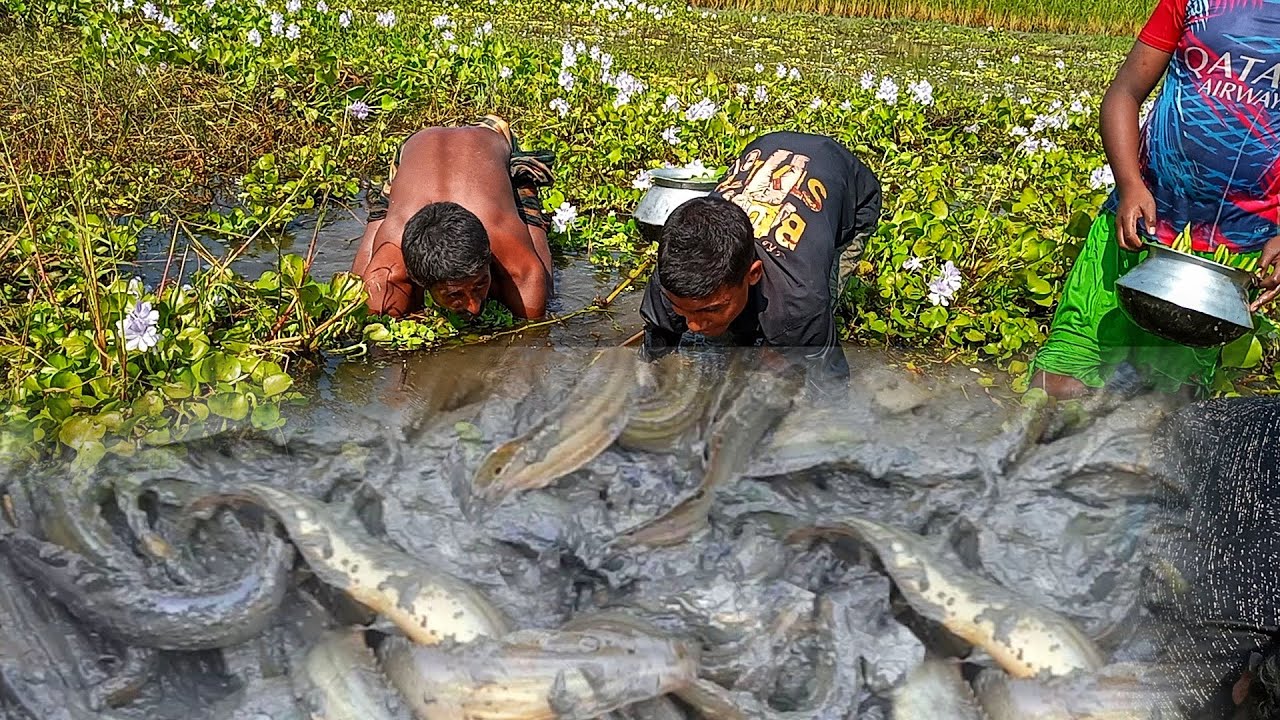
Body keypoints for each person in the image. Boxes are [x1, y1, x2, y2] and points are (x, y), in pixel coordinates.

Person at [1029, 0, 1280, 400]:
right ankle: (1023, 459)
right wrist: (1129, 184)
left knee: (1166, 408)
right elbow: (1124, 92)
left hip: (1229, 259)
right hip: (1137, 229)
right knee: (1063, 378)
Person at [639, 131, 882, 383]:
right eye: (682, 309)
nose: (694, 326)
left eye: (712, 309)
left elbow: (830, 385)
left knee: (802, 337)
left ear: (753, 273)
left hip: (849, 194)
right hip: (768, 146)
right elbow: (654, 352)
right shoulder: (670, 279)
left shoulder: (800, 302)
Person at [352, 115, 556, 320]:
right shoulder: (384, 278)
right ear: (417, 279)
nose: (475, 307)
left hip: (489, 139)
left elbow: (534, 331)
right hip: (417, 148)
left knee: (544, 289)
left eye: (481, 283)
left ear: (490, 254)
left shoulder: (516, 261)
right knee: (358, 289)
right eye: (454, 294)